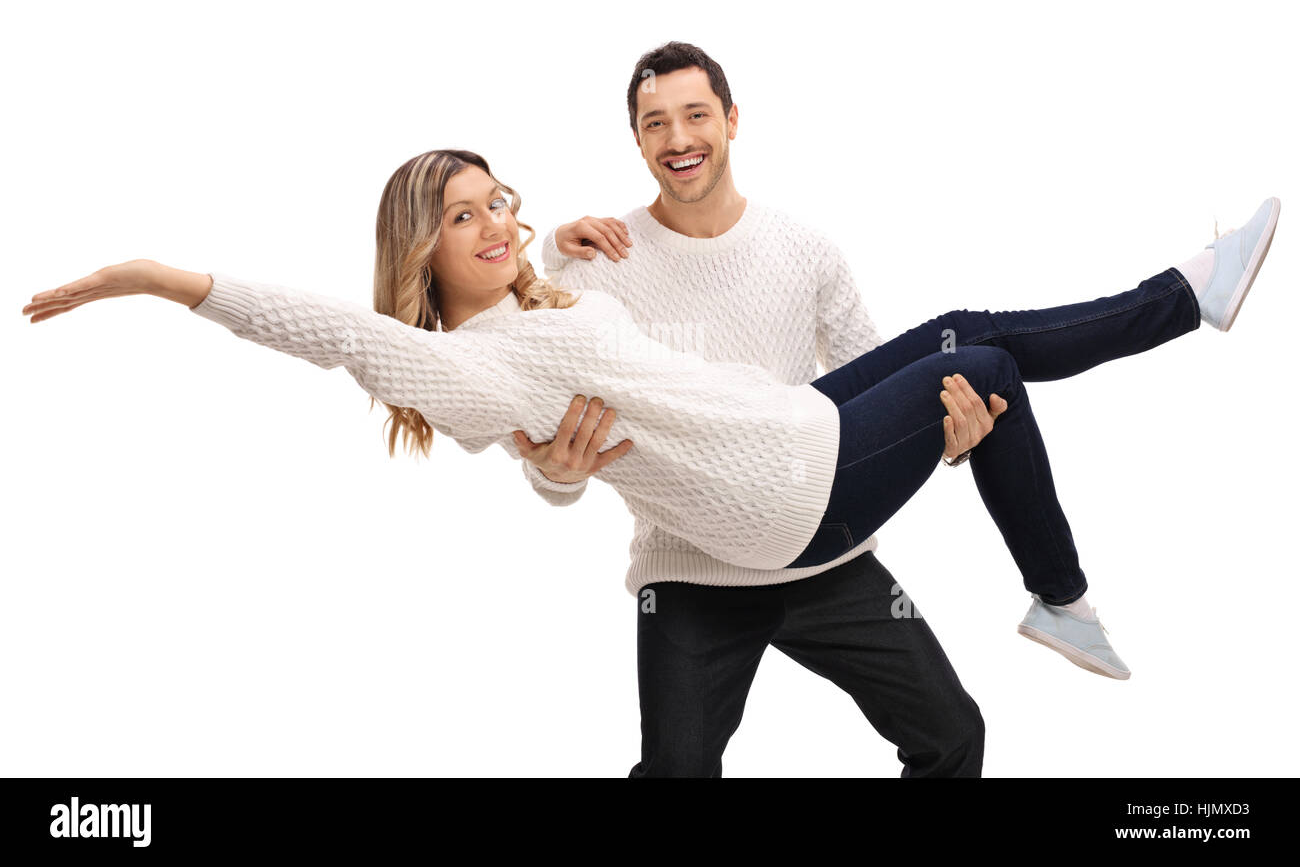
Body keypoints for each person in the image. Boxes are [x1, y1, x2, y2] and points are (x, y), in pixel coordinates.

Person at [22, 149, 1278, 767]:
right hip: (781, 494)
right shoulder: (461, 361)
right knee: (990, 360)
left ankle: (1173, 320)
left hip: (796, 434)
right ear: (422, 255)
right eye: (464, 216)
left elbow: (619, 367)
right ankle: (1067, 576)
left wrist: (550, 256)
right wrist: (157, 279)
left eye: (497, 196)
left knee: (962, 343)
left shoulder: (558, 293)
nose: (500, 220)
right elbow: (330, 329)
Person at [520, 42, 997, 779]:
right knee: (677, 768)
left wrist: (955, 442)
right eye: (655, 123)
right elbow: (554, 463)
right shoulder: (594, 266)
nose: (678, 140)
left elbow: (879, 390)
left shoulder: (805, 250)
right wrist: (555, 475)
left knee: (954, 734)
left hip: (823, 545)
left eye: (696, 115)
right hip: (691, 571)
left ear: (733, 120)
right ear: (638, 140)